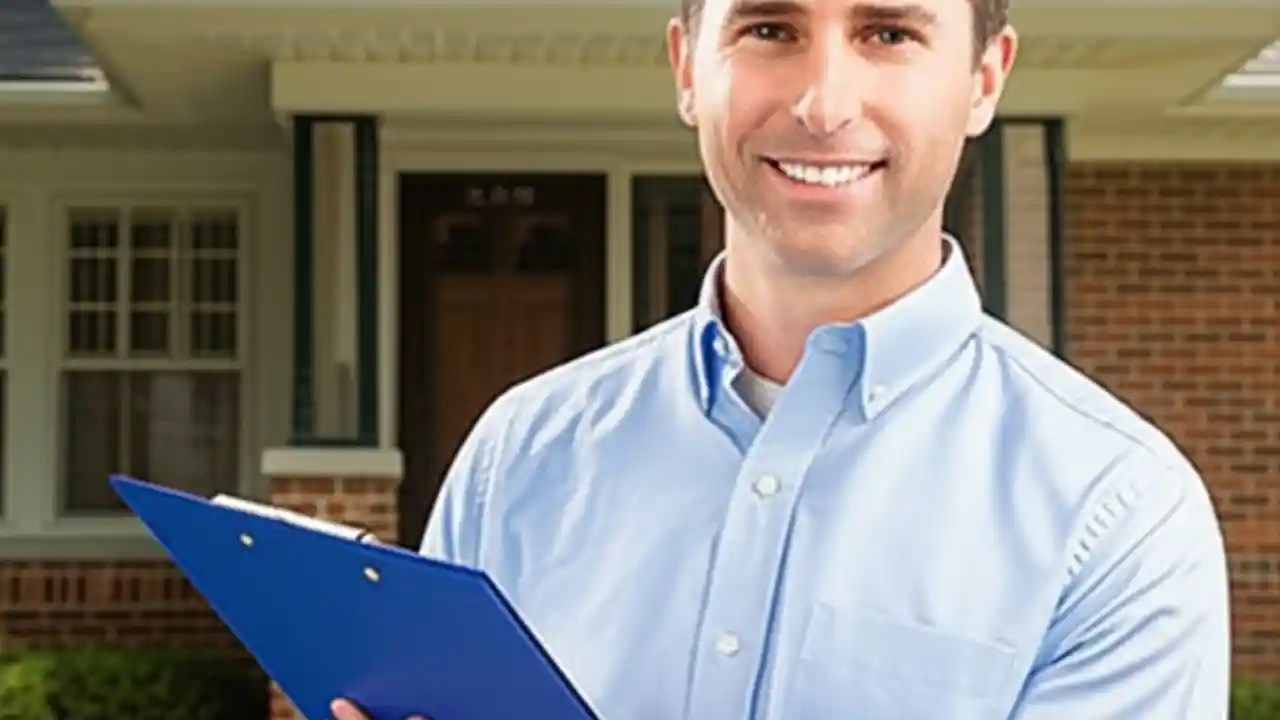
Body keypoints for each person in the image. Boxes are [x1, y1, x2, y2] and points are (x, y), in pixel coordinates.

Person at [332, 0, 1230, 717]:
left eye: (889, 32)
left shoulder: (1116, 518)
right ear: (689, 68)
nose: (823, 103)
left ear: (982, 80)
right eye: (770, 28)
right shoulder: (520, 456)